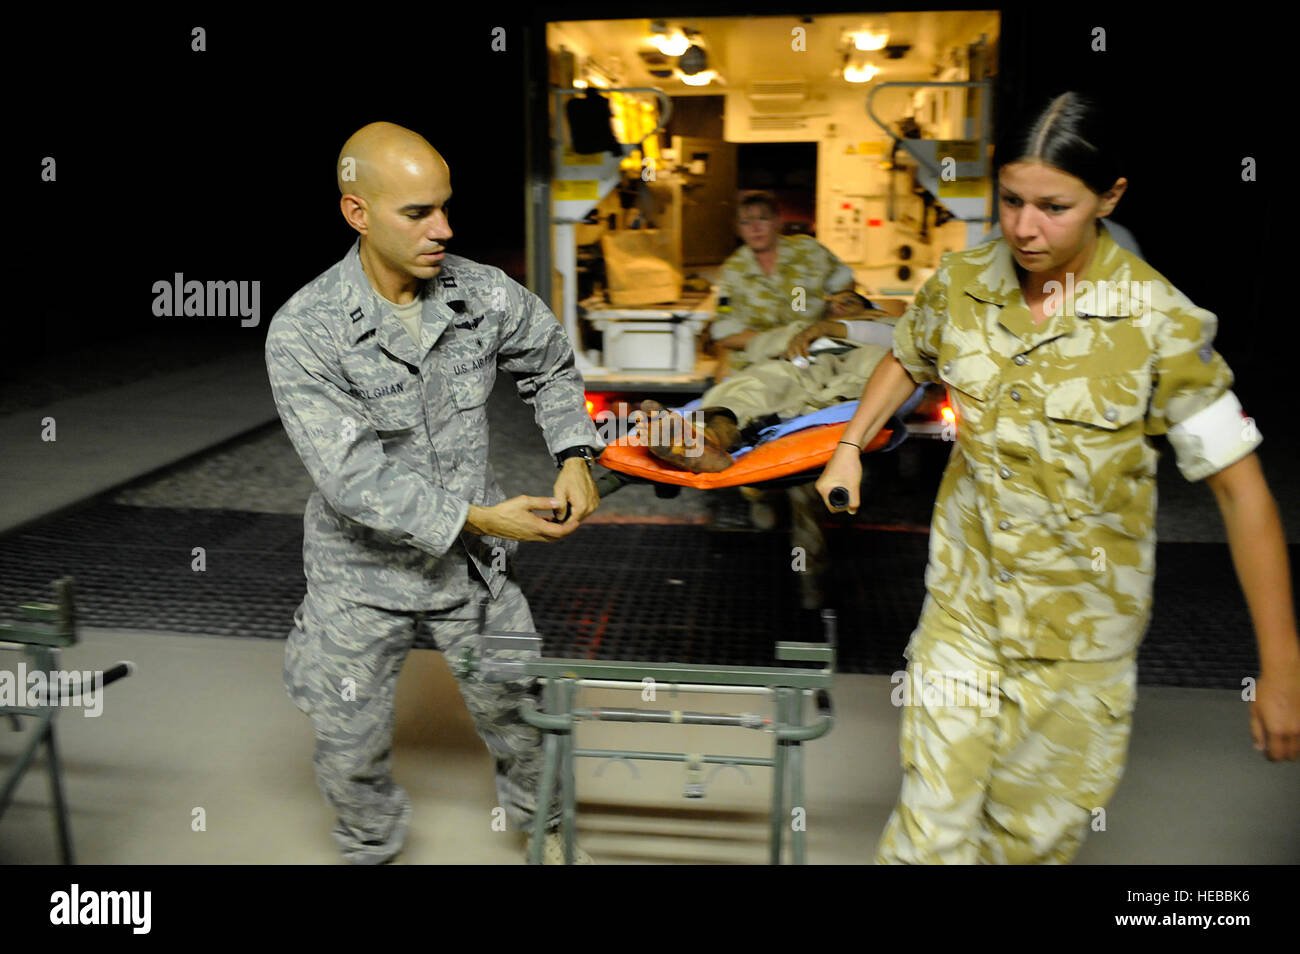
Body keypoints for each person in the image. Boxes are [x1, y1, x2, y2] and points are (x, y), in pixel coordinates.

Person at [815, 92, 1300, 863]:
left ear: (1110, 197)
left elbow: (1243, 494)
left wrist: (1282, 670)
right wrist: (850, 442)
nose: (1024, 229)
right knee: (926, 837)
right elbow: (910, 354)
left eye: (1053, 207)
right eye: (1010, 200)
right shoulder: (962, 281)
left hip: (1078, 641)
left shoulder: (1160, 323)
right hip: (963, 615)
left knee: (1025, 846)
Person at [264, 122, 605, 865]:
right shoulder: (307, 330)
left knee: (520, 709)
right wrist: (483, 518)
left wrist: (576, 454)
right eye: (417, 213)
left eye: (445, 207)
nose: (443, 228)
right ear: (357, 212)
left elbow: (550, 362)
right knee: (346, 738)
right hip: (360, 575)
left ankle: (546, 826)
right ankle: (370, 844)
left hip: (473, 570)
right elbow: (351, 477)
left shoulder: (481, 293)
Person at [640, 291, 905, 472]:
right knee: (751, 386)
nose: (837, 306)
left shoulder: (890, 325)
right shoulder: (803, 329)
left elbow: (900, 344)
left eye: (848, 302)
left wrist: (831, 328)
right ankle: (706, 440)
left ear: (871, 310)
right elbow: (754, 346)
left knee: (874, 373)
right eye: (832, 303)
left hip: (862, 362)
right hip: (803, 367)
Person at [709, 191, 857, 375]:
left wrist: (837, 313)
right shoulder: (733, 271)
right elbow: (725, 334)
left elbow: (846, 284)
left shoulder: (808, 251)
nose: (755, 228)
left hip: (813, 362)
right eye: (746, 222)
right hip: (755, 367)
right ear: (738, 229)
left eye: (763, 219)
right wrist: (779, 341)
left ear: (778, 222)